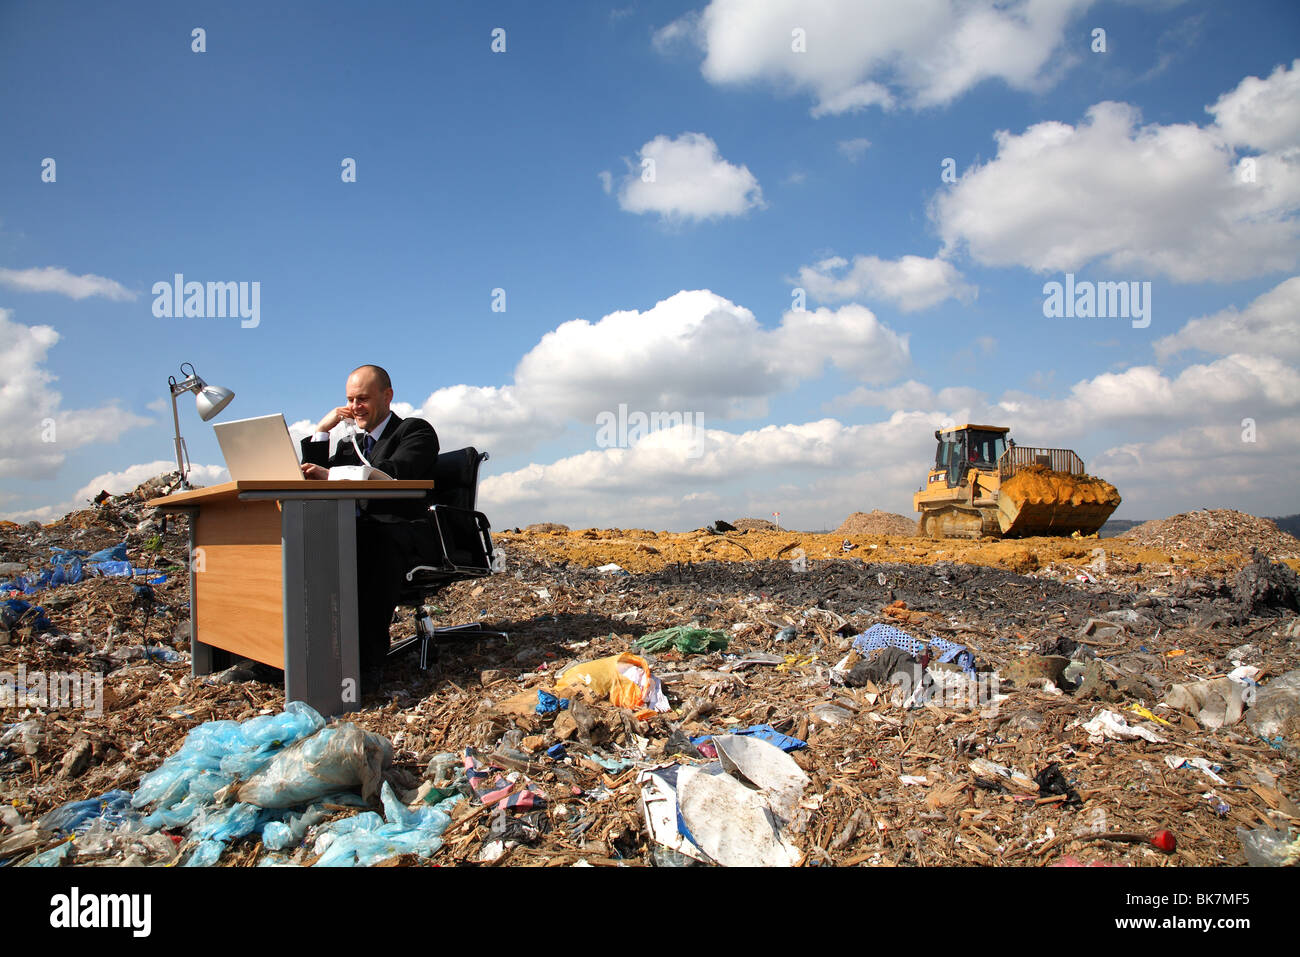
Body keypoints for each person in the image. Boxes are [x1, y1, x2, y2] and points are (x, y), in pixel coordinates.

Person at [300, 364, 440, 681]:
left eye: (362, 399)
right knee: (303, 540)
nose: (354, 408)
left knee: (369, 540)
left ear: (387, 396)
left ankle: (364, 662)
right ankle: (292, 654)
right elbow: (315, 478)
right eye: (350, 400)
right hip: (359, 530)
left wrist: (332, 476)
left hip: (402, 531)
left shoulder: (415, 431)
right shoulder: (349, 445)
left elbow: (395, 475)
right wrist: (323, 428)